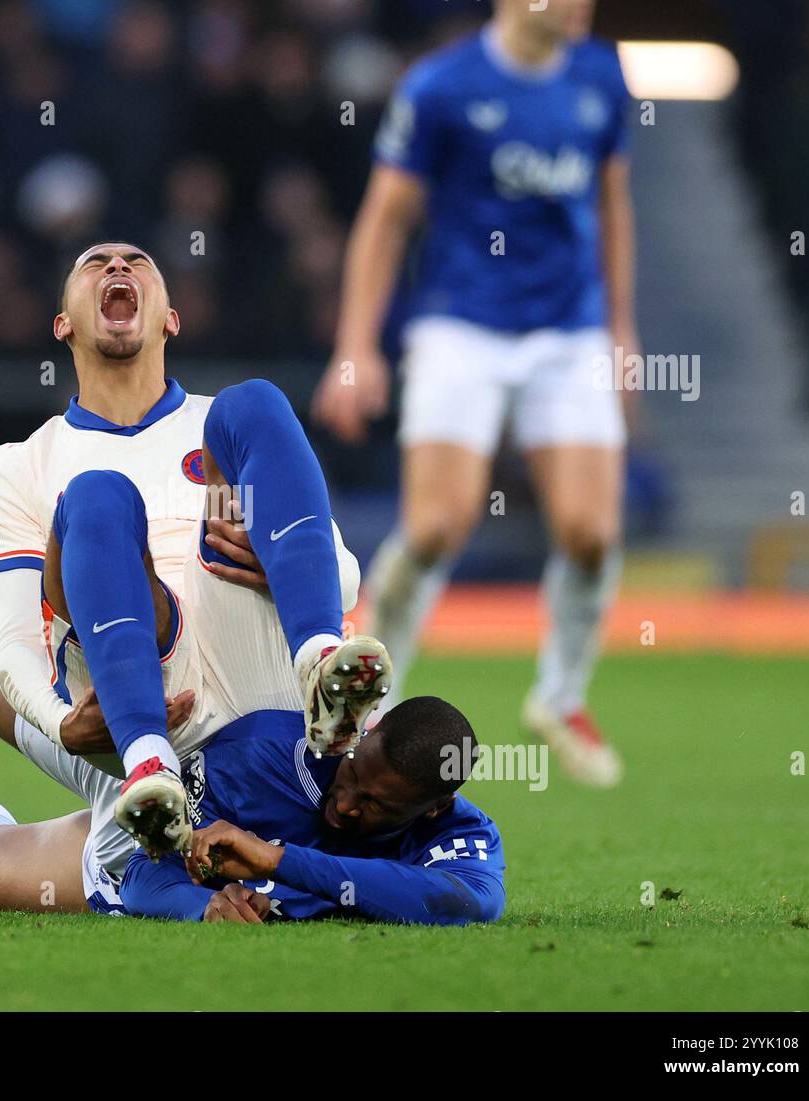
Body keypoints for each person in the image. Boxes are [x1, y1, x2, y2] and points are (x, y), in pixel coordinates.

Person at [0, 241, 391, 863]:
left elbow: (339, 580)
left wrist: (275, 566)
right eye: (95, 264)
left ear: (171, 318)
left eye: (138, 261)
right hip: (127, 693)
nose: (117, 265)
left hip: (259, 678)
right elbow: (10, 643)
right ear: (63, 325)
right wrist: (61, 726)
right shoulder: (26, 465)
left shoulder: (228, 429)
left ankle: (319, 665)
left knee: (254, 401)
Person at [311, 0, 636, 787]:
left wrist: (623, 328)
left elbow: (613, 202)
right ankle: (366, 702)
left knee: (591, 532)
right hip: (461, 327)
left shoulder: (601, 75)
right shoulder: (441, 87)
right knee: (435, 526)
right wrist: (356, 349)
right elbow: (385, 220)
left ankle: (561, 695)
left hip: (568, 331)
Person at [0, 695, 504, 925]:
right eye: (352, 776)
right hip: (138, 798)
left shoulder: (460, 835)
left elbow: (464, 904)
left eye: (376, 804)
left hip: (139, 819)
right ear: (359, 735)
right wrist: (201, 907)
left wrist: (279, 861)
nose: (347, 805)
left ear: (436, 806)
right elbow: (151, 874)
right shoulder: (267, 758)